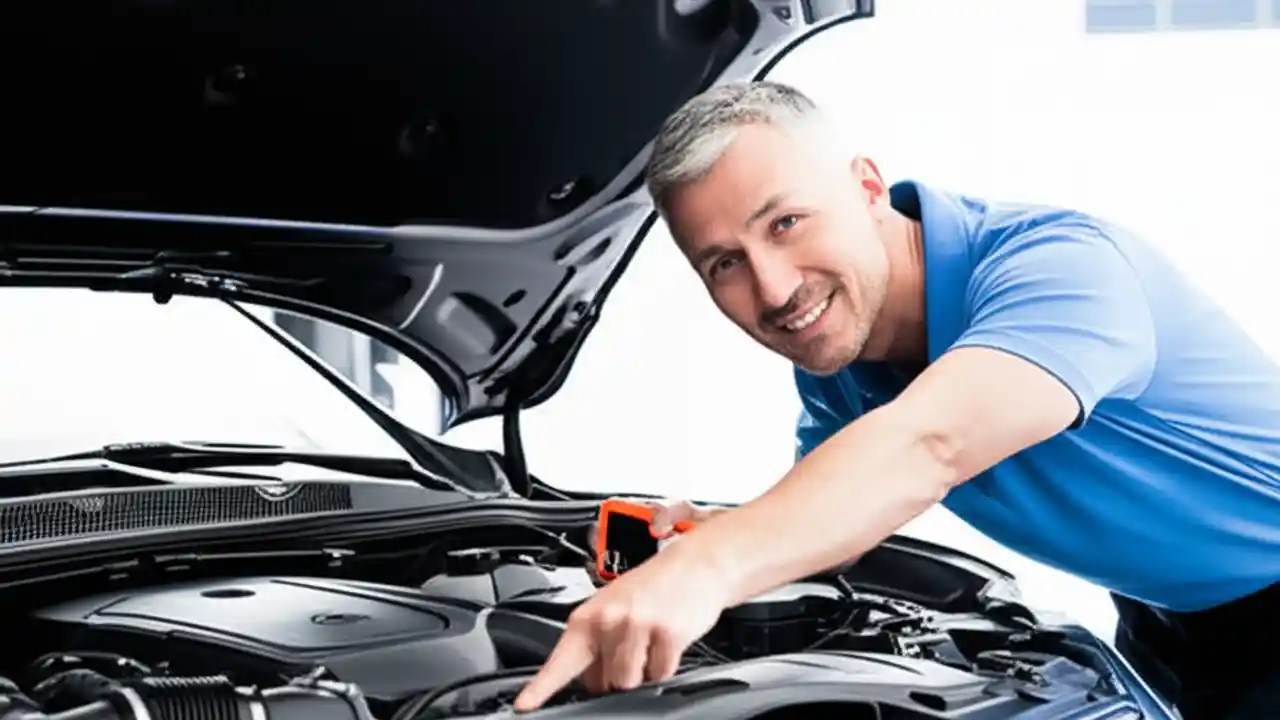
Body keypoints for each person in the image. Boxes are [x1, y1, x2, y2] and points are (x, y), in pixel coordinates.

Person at [512, 81, 1280, 718]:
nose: (773, 289)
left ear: (867, 186)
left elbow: (930, 443)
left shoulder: (1062, 271)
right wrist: (711, 537)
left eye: (786, 222)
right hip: (1171, 617)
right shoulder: (841, 363)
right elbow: (845, 519)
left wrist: (710, 569)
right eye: (723, 264)